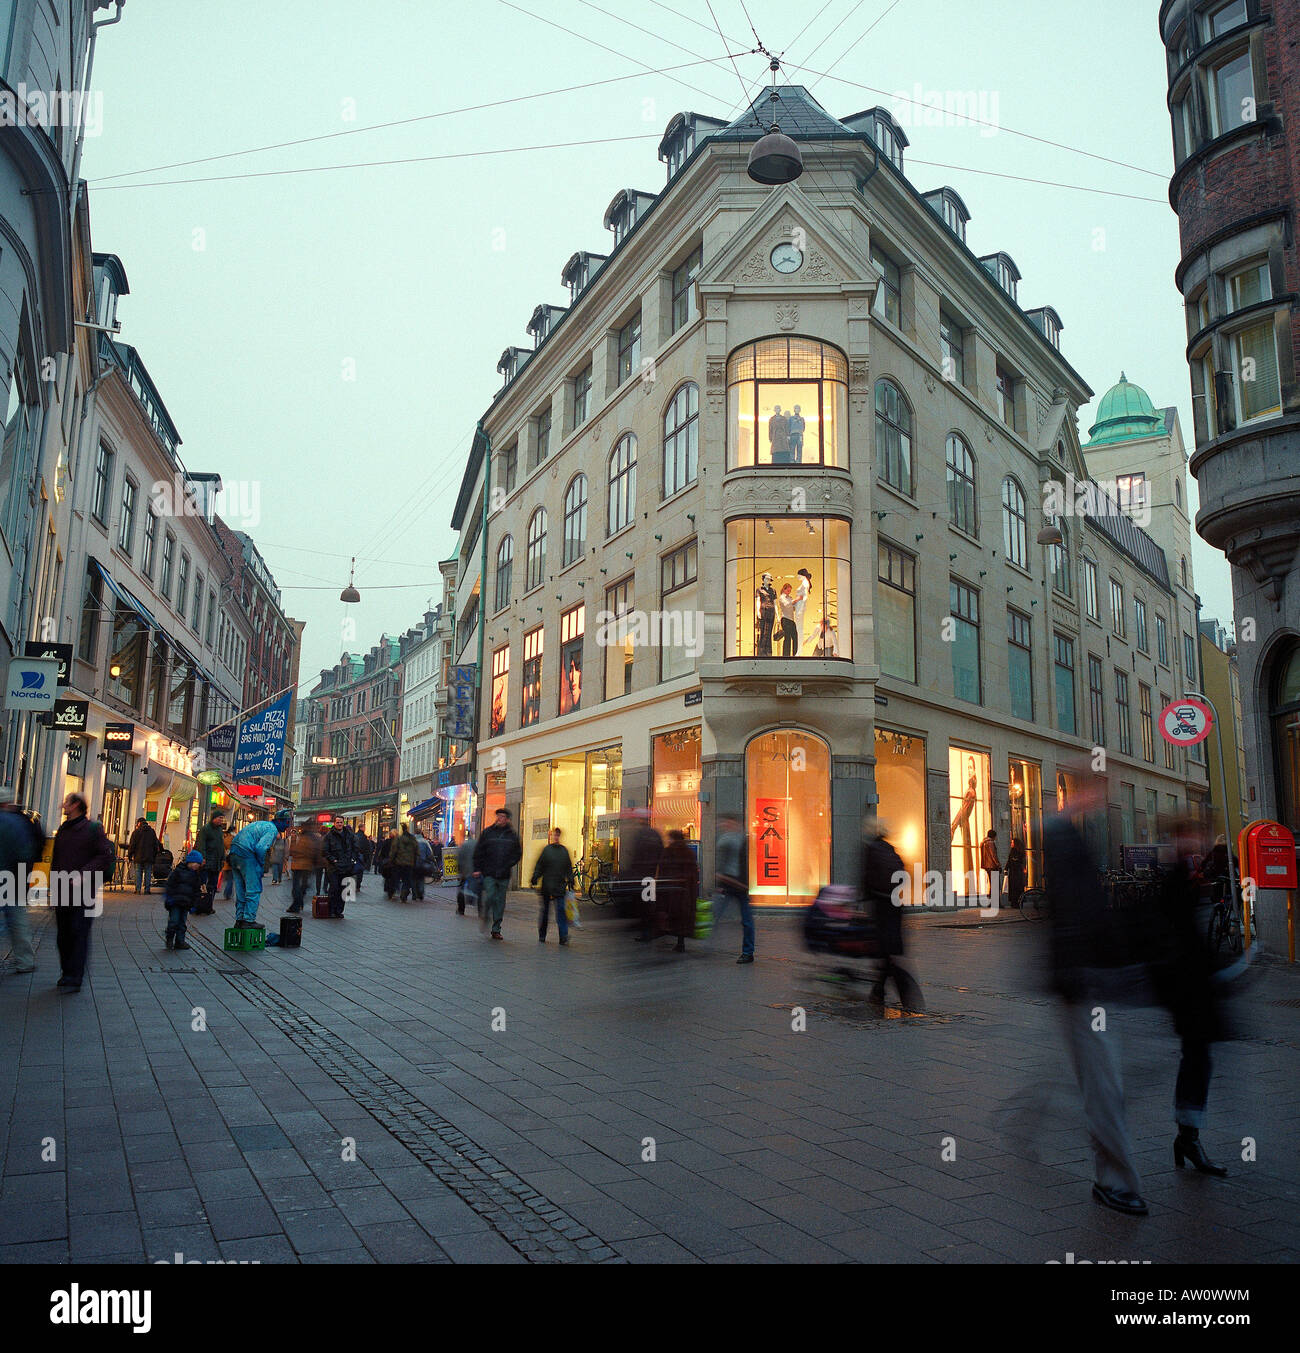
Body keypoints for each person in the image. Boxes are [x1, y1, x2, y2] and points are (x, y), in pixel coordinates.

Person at [1044, 778, 1147, 1217]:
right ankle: (1114, 1182)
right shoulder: (1060, 835)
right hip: (1084, 980)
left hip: (1088, 978)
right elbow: (1076, 913)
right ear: (1077, 794)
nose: (1100, 802)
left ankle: (1111, 1177)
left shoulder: (1068, 836)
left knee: (1100, 1080)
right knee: (1104, 1084)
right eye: (1094, 793)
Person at [1153, 818, 1228, 1178]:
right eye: (1190, 836)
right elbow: (1174, 934)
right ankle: (1188, 1138)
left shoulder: (1185, 876)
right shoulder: (1173, 880)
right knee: (1197, 1061)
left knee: (1198, 1060)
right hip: (1187, 990)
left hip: (1193, 987)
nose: (1196, 841)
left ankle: (1188, 1137)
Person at [49, 793, 114, 992]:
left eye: (66, 802)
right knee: (63, 935)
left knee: (78, 933)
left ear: (76, 805)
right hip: (62, 890)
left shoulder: (92, 829)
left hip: (83, 892)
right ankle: (66, 972)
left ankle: (74, 977)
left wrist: (83, 874)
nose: (63, 805)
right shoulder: (63, 828)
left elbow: (105, 856)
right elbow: (57, 860)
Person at [861, 815, 924, 1013]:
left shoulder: (871, 849)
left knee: (885, 953)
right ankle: (878, 992)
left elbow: (865, 879)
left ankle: (905, 995)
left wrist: (862, 901)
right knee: (889, 951)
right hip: (895, 905)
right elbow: (903, 874)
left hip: (880, 906)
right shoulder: (890, 849)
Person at [226, 810, 292, 929]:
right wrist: (260, 865)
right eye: (287, 823)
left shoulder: (262, 824)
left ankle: (239, 919)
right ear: (280, 821)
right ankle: (248, 920)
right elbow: (261, 848)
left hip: (234, 853)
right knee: (253, 889)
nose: (287, 826)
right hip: (246, 854)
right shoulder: (271, 829)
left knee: (241, 889)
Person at [0, 787, 41, 975]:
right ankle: (25, 960)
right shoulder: (19, 822)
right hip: (14, 880)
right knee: (17, 920)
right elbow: (26, 852)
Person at [473, 808, 522, 941]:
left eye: (502, 817)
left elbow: (518, 853)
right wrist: (477, 868)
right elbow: (479, 851)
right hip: (489, 872)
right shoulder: (487, 833)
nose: (500, 819)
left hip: (504, 874)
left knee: (500, 902)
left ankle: (496, 929)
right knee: (490, 896)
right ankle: (486, 914)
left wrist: (509, 863)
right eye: (498, 816)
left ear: (507, 819)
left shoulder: (512, 835)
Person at [712, 813, 754, 964]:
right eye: (724, 823)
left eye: (727, 823)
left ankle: (748, 952)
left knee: (746, 921)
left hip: (738, 885)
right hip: (727, 884)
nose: (724, 825)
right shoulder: (724, 839)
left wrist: (744, 884)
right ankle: (709, 945)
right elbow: (721, 863)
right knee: (715, 915)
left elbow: (745, 864)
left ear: (735, 824)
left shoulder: (742, 840)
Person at [622, 810, 664, 941]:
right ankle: (648, 930)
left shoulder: (639, 835)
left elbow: (634, 856)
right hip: (651, 876)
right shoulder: (655, 834)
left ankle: (646, 931)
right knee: (649, 903)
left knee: (642, 904)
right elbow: (661, 854)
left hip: (639, 876)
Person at [657, 829, 698, 953]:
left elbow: (663, 870)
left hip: (671, 889)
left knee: (671, 914)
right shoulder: (689, 852)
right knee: (683, 916)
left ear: (672, 838)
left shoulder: (668, 851)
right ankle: (681, 942)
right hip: (686, 890)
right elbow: (694, 872)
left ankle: (667, 937)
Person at [530, 827, 573, 944]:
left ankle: (563, 936)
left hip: (558, 886)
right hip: (548, 886)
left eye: (557, 835)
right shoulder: (547, 850)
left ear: (559, 836)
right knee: (546, 912)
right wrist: (535, 877)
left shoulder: (563, 851)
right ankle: (543, 934)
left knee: (560, 911)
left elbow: (568, 867)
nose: (555, 837)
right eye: (554, 835)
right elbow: (540, 866)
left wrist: (571, 879)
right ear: (551, 836)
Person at [163, 850, 205, 950]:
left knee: (182, 923)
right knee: (173, 921)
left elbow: (196, 891)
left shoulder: (196, 876)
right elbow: (170, 885)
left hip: (186, 903)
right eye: (195, 863)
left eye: (198, 864)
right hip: (175, 902)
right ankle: (170, 938)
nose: (196, 866)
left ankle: (179, 941)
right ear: (189, 862)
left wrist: (195, 904)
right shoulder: (178, 871)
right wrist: (169, 898)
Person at [288, 819, 324, 913]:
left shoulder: (302, 837)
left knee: (296, 887)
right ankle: (298, 904)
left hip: (299, 865)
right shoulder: (315, 838)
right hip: (308, 866)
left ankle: (297, 905)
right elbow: (319, 852)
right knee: (302, 886)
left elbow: (295, 851)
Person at [194, 812, 226, 914]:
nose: (221, 820)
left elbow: (221, 845)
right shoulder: (205, 829)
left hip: (216, 861)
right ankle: (199, 905)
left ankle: (209, 906)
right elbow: (201, 844)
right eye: (219, 818)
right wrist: (202, 858)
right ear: (213, 818)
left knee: (213, 885)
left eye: (222, 818)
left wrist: (223, 858)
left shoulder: (220, 830)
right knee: (202, 884)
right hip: (206, 861)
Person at [322, 820, 352, 917]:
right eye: (338, 822)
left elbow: (353, 848)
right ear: (334, 824)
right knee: (334, 888)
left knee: (343, 889)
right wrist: (333, 860)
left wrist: (351, 859)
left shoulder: (348, 835)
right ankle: (331, 910)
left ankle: (339, 911)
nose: (339, 824)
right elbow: (325, 851)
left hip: (345, 867)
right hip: (333, 867)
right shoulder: (329, 836)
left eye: (341, 822)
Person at [127, 817, 161, 895]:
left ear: (139, 823)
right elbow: (156, 845)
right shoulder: (152, 832)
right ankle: (147, 890)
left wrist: (130, 855)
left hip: (138, 857)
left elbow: (132, 845)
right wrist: (154, 855)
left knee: (138, 872)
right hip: (149, 857)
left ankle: (138, 889)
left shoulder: (136, 832)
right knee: (148, 872)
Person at [391, 824, 419, 902]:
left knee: (398, 878)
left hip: (399, 863)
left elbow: (393, 851)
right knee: (407, 879)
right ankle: (404, 892)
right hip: (409, 863)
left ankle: (397, 890)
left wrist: (391, 860)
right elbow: (417, 850)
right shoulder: (412, 839)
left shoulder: (398, 839)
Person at [754, 572, 777, 656]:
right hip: (763, 611)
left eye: (770, 579)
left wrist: (778, 615)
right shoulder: (759, 589)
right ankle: (761, 652)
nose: (768, 581)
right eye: (767, 579)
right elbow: (758, 601)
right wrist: (758, 612)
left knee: (769, 632)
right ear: (763, 579)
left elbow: (775, 603)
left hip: (771, 611)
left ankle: (768, 651)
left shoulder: (773, 590)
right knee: (763, 631)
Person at [456, 831, 478, 916]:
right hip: (475, 871)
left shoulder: (464, 845)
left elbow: (460, 858)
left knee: (461, 889)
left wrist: (460, 870)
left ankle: (461, 909)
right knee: (477, 888)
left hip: (465, 871)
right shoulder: (477, 844)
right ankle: (479, 907)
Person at [1005, 837, 1027, 912]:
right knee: (1017, 887)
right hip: (1016, 871)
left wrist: (1006, 868)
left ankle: (1015, 903)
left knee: (1015, 887)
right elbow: (1011, 860)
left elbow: (1011, 860)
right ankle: (1017, 902)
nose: (1011, 844)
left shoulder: (1015, 851)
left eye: (1012, 842)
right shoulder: (1018, 851)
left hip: (1015, 872)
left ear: (1015, 844)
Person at [777, 583, 799, 657]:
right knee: (787, 638)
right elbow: (786, 605)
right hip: (785, 619)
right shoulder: (782, 597)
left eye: (790, 591)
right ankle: (786, 655)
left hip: (791, 620)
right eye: (788, 590)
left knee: (795, 637)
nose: (789, 592)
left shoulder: (790, 598)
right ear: (784, 589)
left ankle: (795, 654)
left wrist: (795, 604)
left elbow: (793, 608)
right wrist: (795, 601)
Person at [980, 828, 1001, 900]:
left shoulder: (983, 843)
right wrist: (998, 864)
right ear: (993, 836)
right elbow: (993, 855)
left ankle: (991, 901)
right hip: (992, 866)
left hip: (986, 866)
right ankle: (996, 902)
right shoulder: (991, 843)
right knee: (995, 884)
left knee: (992, 884)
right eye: (995, 836)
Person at [794, 568, 811, 648]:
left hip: (800, 607)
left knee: (799, 629)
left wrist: (801, 609)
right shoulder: (804, 583)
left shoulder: (804, 583)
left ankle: (799, 649)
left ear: (802, 575)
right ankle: (799, 649)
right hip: (798, 606)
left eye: (798, 575)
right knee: (799, 629)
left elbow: (805, 597)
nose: (797, 576)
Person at [414, 832, 434, 901]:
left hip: (413, 864)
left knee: (414, 879)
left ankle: (414, 894)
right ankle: (421, 893)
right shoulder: (425, 842)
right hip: (422, 863)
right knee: (421, 878)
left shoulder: (413, 842)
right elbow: (430, 853)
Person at [221, 822, 235, 900]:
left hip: (225, 862)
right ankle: (227, 893)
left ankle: (228, 893)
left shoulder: (224, 838)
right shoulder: (234, 838)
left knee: (228, 879)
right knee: (230, 879)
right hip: (232, 861)